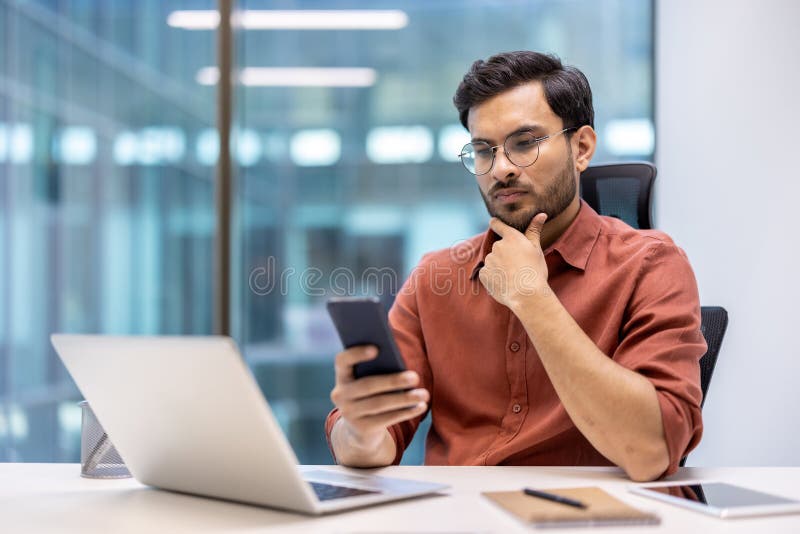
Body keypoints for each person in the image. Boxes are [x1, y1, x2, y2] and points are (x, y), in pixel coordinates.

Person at [325, 51, 706, 482]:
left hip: (587, 519)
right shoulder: (436, 278)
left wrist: (533, 299)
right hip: (454, 518)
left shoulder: (651, 265)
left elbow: (650, 451)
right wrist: (361, 426)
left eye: (524, 143)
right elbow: (373, 444)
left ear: (581, 148)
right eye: (484, 151)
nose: (501, 168)